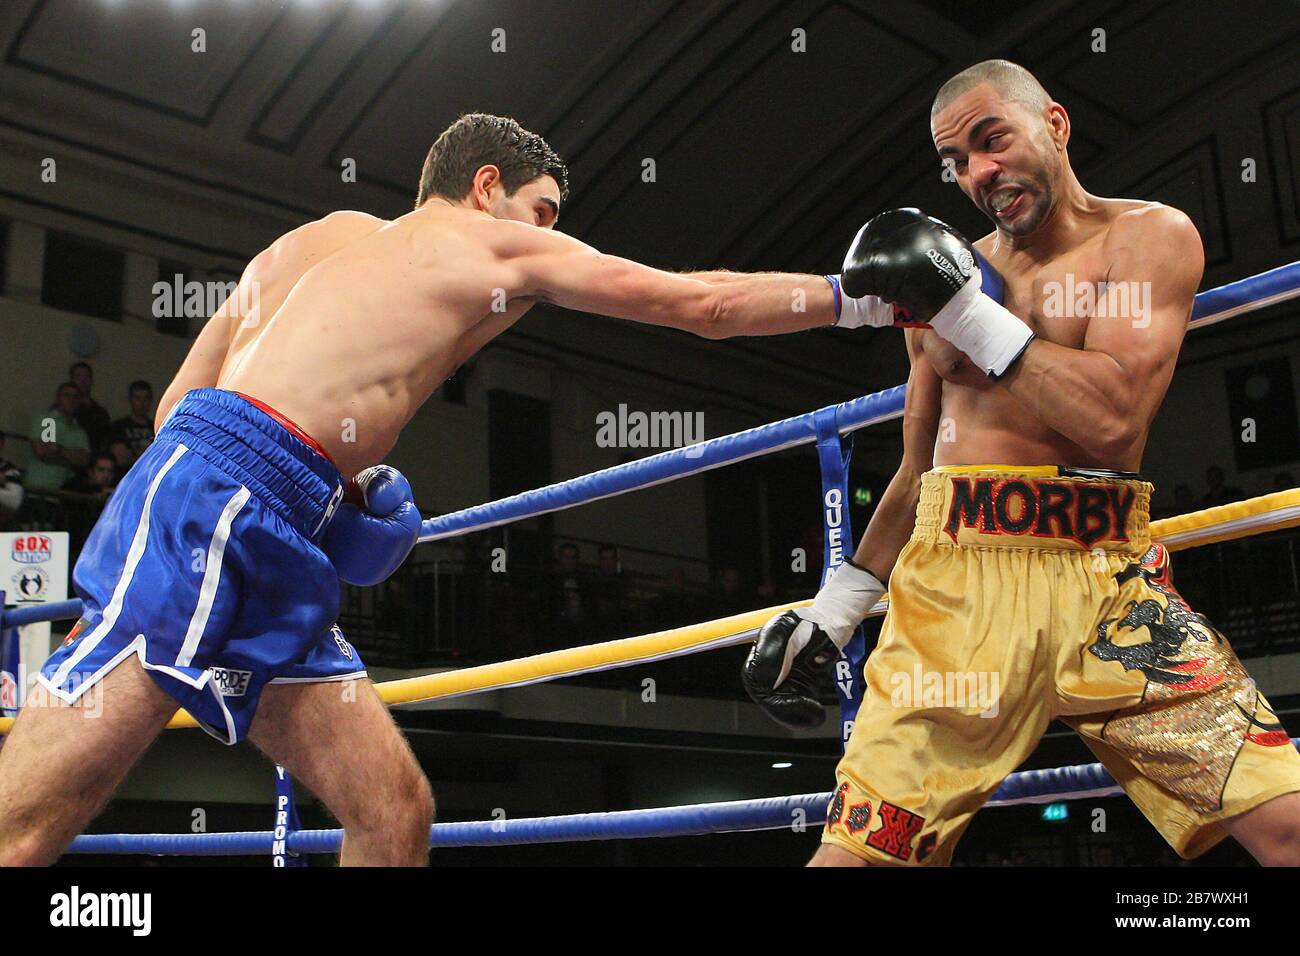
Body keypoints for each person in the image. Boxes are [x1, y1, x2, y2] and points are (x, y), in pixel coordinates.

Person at [0, 112, 882, 866]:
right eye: (542, 212)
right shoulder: (487, 243)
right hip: (218, 508)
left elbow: (174, 412)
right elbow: (704, 303)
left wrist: (325, 487)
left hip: (263, 514)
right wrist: (861, 300)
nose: (545, 234)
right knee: (29, 824)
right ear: (486, 188)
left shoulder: (320, 241)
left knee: (393, 813)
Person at [744, 60, 1300, 866]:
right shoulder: (946, 270)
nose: (978, 173)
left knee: (1284, 825)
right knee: (859, 859)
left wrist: (966, 312)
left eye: (990, 140)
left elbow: (1112, 422)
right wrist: (833, 612)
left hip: (1109, 589)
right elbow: (917, 470)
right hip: (956, 595)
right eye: (956, 163)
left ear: (1055, 123)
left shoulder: (1146, 237)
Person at [24, 382, 90, 492]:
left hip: (63, 493)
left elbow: (84, 460)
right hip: (37, 488)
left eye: (75, 397)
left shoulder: (79, 431)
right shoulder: (47, 421)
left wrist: (59, 449)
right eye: (67, 395)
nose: (71, 400)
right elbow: (43, 453)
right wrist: (71, 458)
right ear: (58, 398)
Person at [107, 380, 156, 469]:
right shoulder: (118, 427)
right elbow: (120, 458)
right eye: (138, 398)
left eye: (146, 398)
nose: (142, 403)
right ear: (130, 400)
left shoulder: (157, 428)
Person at [69, 362, 111, 455]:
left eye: (86, 377)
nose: (82, 381)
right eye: (78, 377)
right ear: (71, 380)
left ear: (92, 380)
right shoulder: (63, 410)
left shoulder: (100, 412)